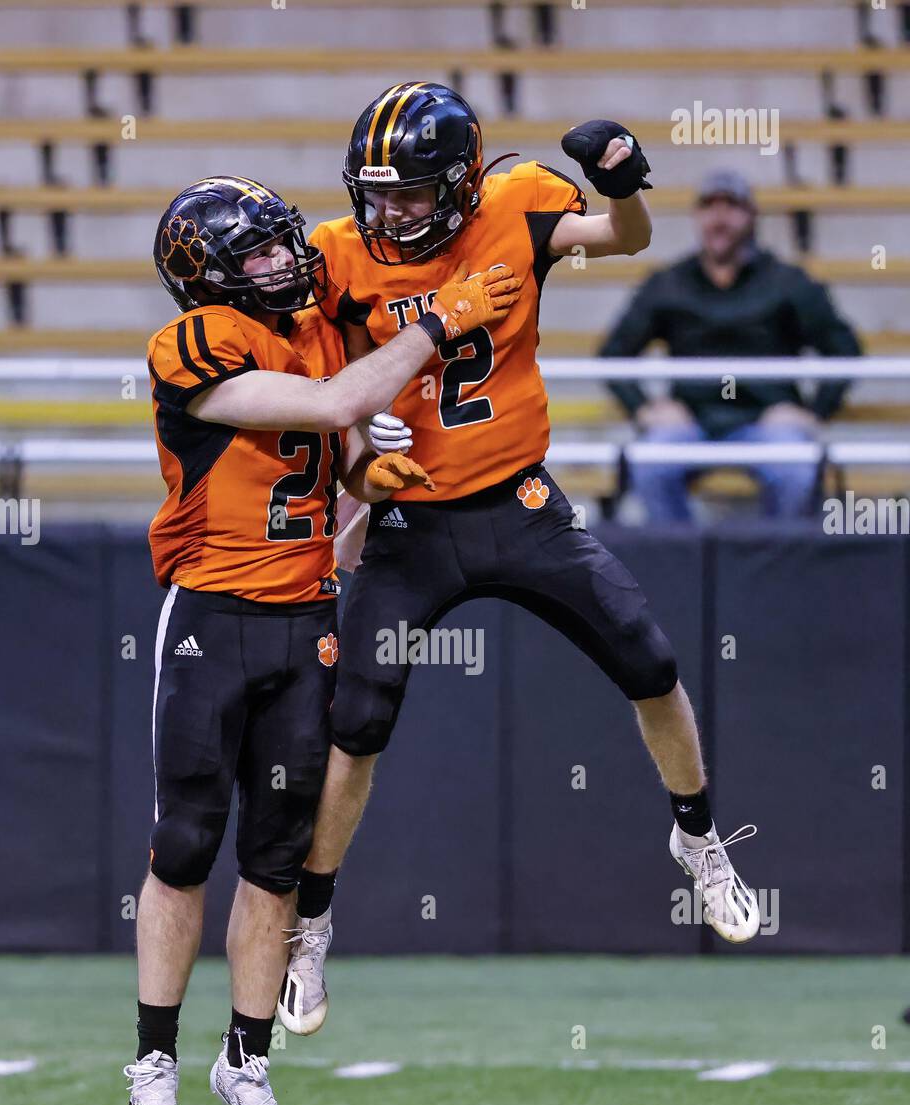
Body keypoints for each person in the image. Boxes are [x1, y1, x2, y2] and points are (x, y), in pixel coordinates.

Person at [273, 85, 762, 1040]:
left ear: (459, 187)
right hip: (409, 519)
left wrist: (623, 183)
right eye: (378, 195)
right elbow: (330, 405)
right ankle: (314, 920)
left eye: (411, 195)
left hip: (519, 501)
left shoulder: (518, 202)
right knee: (358, 723)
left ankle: (698, 839)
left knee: (649, 659)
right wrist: (365, 474)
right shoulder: (336, 258)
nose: (390, 212)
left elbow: (626, 241)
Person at [124, 174, 520, 1105]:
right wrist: (442, 318)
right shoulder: (193, 345)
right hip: (214, 611)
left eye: (278, 243)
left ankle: (246, 1062)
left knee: (275, 861)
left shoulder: (309, 328)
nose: (280, 260)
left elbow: (331, 437)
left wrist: (363, 475)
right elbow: (336, 400)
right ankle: (154, 1063)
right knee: (183, 844)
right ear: (205, 273)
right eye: (254, 251)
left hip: (309, 619)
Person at [599, 169, 861, 521]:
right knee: (649, 464)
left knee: (797, 470)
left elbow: (845, 349)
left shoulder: (787, 282)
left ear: (752, 216)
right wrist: (644, 410)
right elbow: (613, 353)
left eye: (732, 206)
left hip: (767, 423)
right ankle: (684, 567)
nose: (720, 218)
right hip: (691, 422)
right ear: (697, 216)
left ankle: (774, 570)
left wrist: (814, 414)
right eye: (709, 206)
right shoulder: (669, 283)